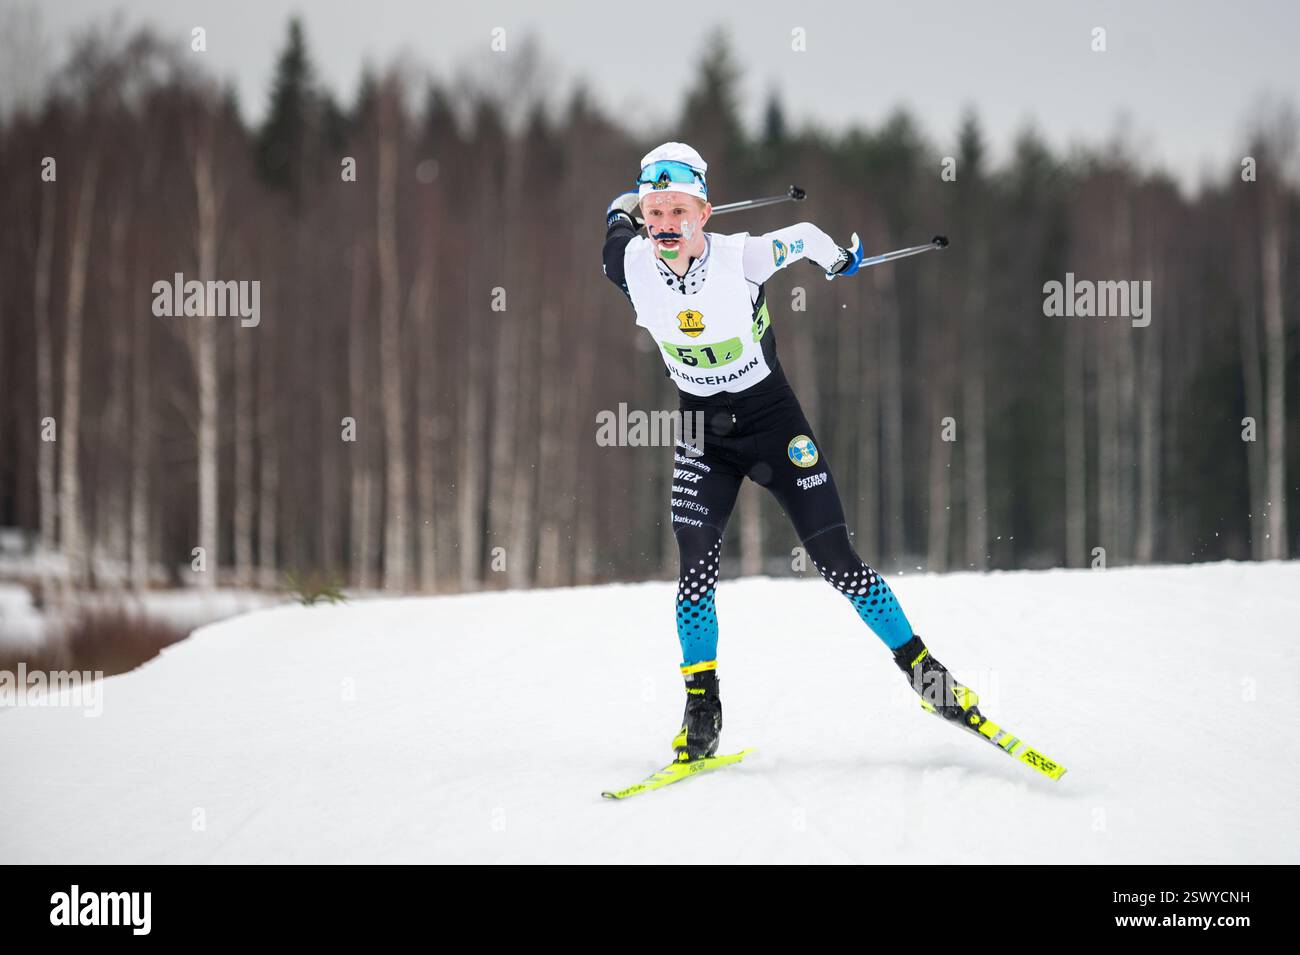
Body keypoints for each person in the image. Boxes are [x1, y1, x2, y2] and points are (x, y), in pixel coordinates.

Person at [602, 142, 977, 763]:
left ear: (705, 211)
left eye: (678, 211)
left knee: (833, 554)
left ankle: (924, 674)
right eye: (654, 212)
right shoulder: (629, 262)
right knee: (695, 560)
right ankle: (703, 705)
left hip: (773, 420)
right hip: (703, 431)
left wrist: (842, 262)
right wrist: (621, 211)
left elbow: (803, 236)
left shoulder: (740, 255)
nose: (665, 225)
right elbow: (613, 229)